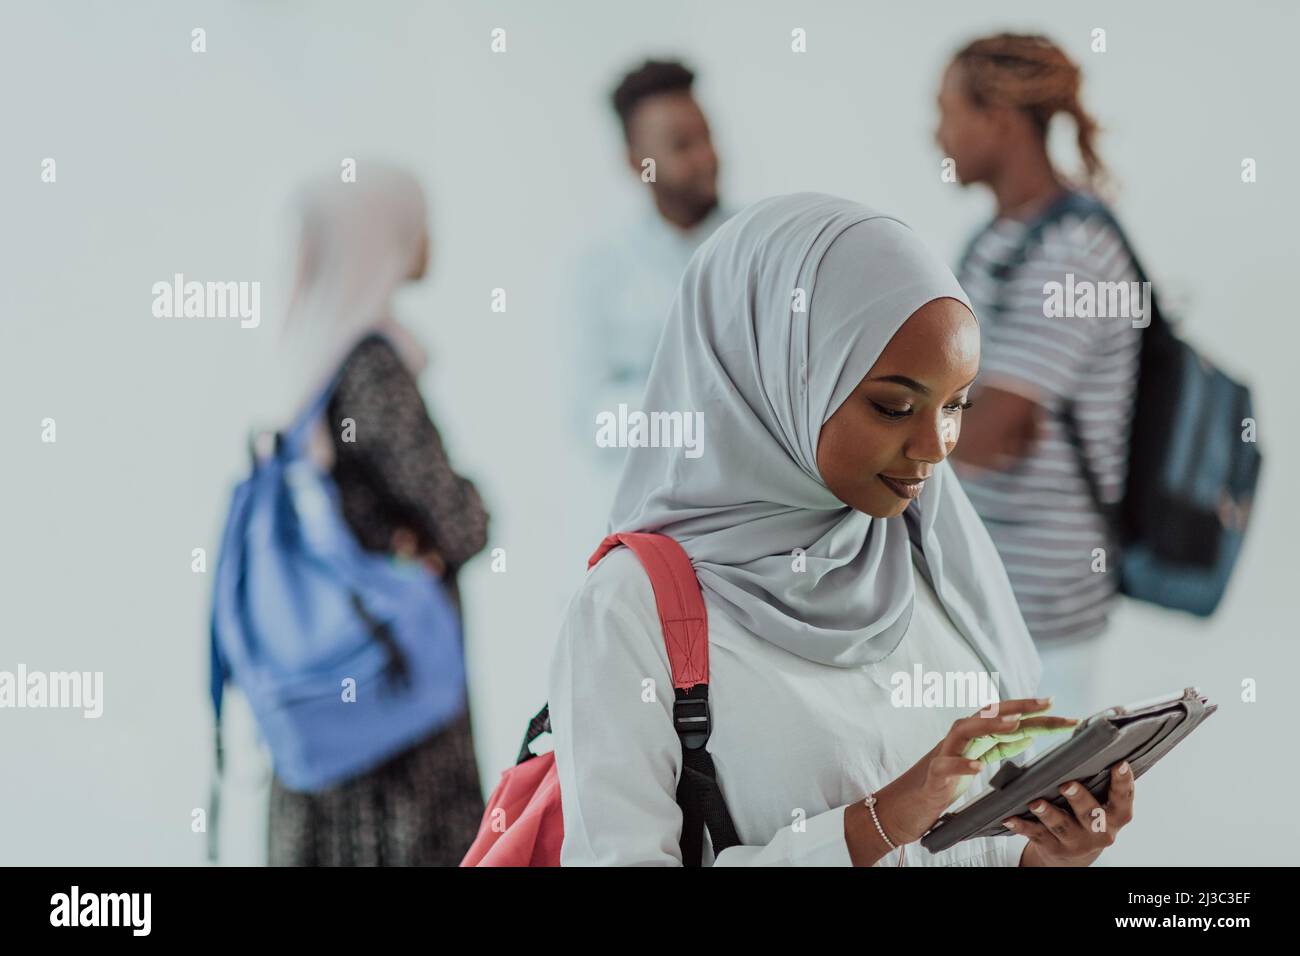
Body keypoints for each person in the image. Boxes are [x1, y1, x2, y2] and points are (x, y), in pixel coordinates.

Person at [547, 193, 1138, 866]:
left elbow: (969, 844)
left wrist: (1047, 856)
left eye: (956, 405)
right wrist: (875, 825)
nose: (937, 446)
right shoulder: (628, 611)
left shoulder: (929, 556)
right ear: (777, 378)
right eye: (894, 406)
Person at [262, 165, 490, 866]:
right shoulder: (369, 364)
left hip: (327, 705)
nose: (429, 238)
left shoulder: (299, 359)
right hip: (396, 720)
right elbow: (462, 519)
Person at [935, 34, 1144, 721]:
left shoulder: (1071, 251)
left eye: (950, 112)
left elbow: (997, 432)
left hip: (1041, 618)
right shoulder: (1000, 237)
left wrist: (868, 426)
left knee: (1037, 826)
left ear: (998, 117)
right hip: (993, 601)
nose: (937, 133)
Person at [569, 59, 733, 477]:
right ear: (635, 163)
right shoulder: (601, 270)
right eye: (681, 145)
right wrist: (698, 413)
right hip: (654, 518)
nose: (705, 158)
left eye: (707, 138)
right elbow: (592, 420)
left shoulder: (769, 245)